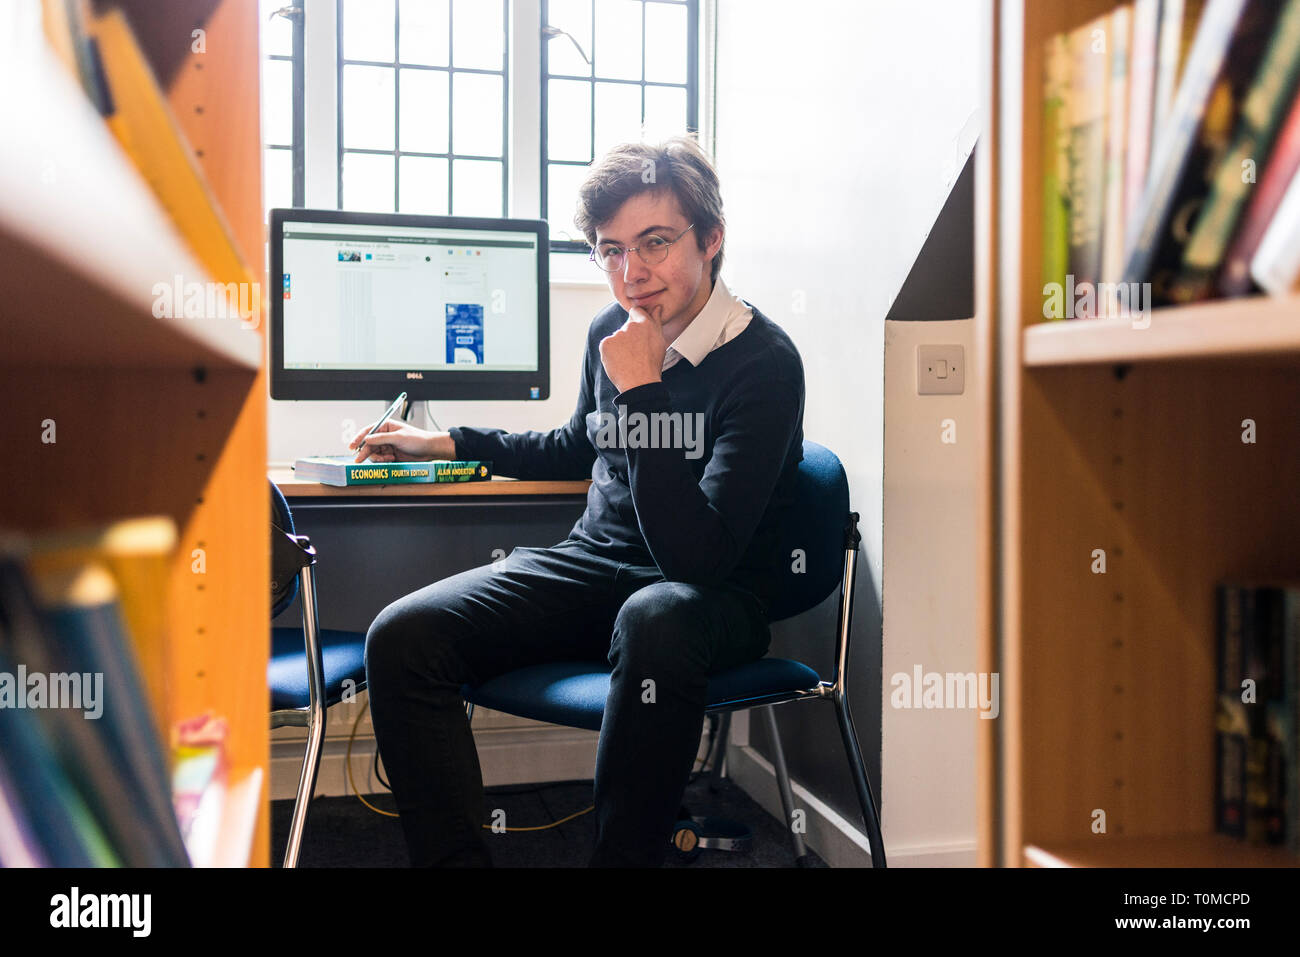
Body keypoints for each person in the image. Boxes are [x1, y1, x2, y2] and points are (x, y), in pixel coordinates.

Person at [354, 136, 806, 867]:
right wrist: (446, 442)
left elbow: (698, 557)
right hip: (594, 569)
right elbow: (576, 445)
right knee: (402, 634)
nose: (631, 274)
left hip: (710, 598)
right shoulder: (613, 333)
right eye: (611, 250)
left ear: (712, 238)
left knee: (655, 611)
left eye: (654, 243)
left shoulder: (765, 363)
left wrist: (644, 391)